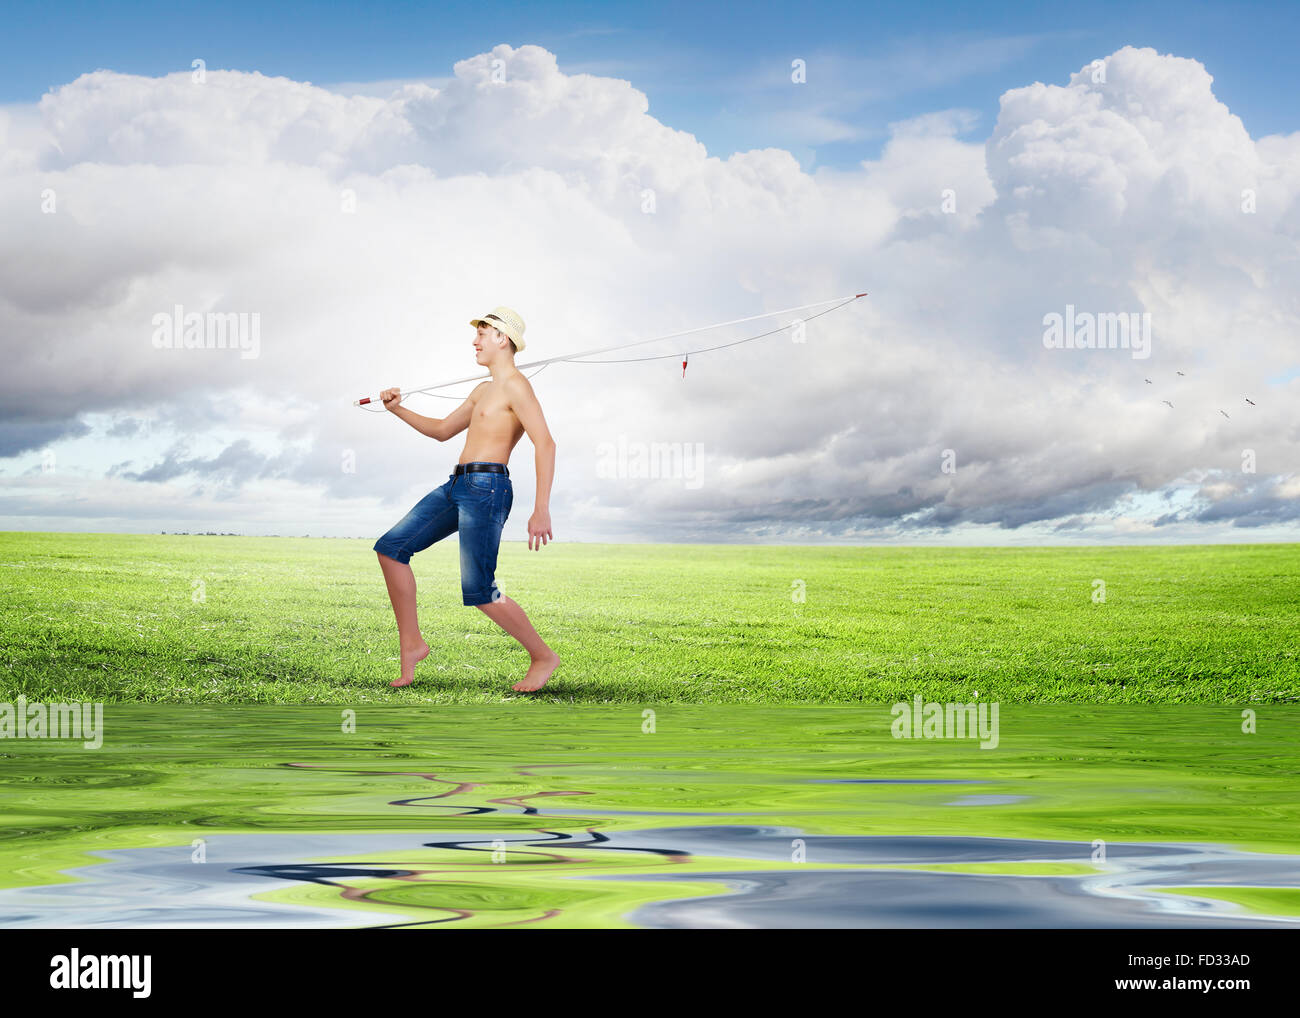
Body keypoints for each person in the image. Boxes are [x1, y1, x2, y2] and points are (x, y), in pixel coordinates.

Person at [372, 306, 560, 693]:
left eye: (482, 333)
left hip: (488, 489)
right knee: (391, 549)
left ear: (501, 339)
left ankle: (543, 656)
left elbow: (546, 443)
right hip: (456, 486)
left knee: (479, 590)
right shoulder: (482, 390)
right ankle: (413, 643)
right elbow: (442, 431)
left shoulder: (518, 387)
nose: (474, 340)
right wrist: (397, 409)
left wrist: (541, 508)